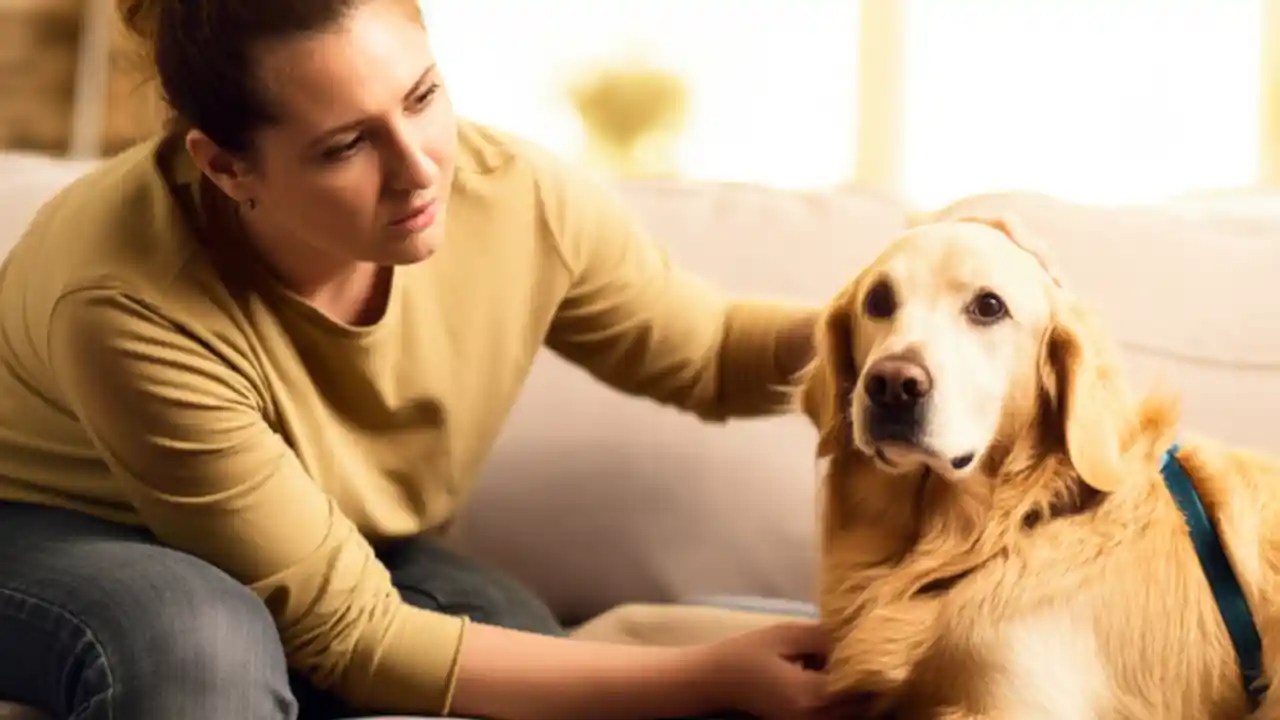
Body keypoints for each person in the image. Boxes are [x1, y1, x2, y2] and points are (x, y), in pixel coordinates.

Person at [0, 1, 834, 719]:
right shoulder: (126, 300)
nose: (419, 168)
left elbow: (710, 353)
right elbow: (352, 635)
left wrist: (888, 321)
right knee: (195, 635)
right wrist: (707, 676)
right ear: (226, 167)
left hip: (327, 535)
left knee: (514, 639)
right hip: (44, 524)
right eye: (346, 146)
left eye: (423, 97)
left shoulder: (512, 198)